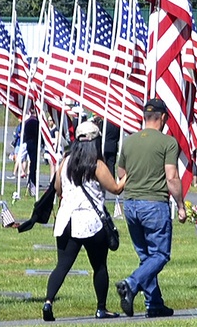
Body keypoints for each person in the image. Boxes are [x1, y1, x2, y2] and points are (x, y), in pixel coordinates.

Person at [104, 99, 181, 318]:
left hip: (130, 204)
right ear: (163, 118)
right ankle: (130, 283)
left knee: (146, 257)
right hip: (154, 203)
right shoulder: (168, 142)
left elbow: (121, 173)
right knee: (160, 255)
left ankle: (154, 304)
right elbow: (172, 177)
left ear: (145, 117)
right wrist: (181, 205)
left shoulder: (129, 141)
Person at [39, 123, 119, 321]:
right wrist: (126, 178)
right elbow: (115, 188)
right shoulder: (96, 164)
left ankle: (48, 302)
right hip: (91, 222)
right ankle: (101, 308)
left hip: (66, 220)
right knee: (99, 266)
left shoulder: (65, 162)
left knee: (62, 266)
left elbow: (57, 187)